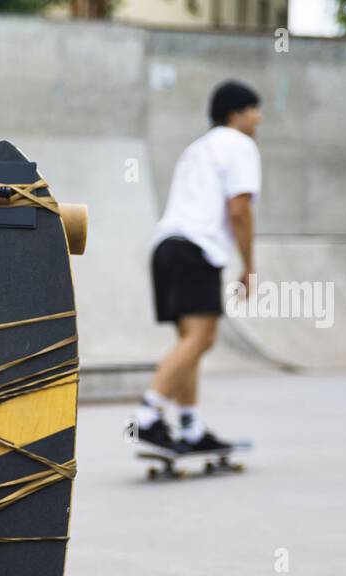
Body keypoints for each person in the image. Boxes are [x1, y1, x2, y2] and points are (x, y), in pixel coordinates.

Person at [134, 79, 262, 457]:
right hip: (196, 251)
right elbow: (238, 210)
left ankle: (189, 427)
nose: (260, 118)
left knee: (190, 341)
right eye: (254, 109)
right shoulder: (240, 145)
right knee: (203, 338)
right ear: (235, 114)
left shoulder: (196, 149)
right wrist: (249, 266)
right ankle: (147, 417)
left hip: (166, 248)